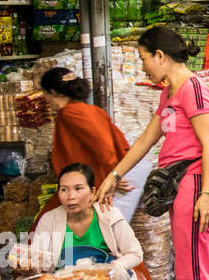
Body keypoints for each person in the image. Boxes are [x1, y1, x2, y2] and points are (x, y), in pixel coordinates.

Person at [97, 25, 209, 280]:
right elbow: (144, 141)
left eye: (143, 59)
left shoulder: (193, 91)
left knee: (191, 269)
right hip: (185, 185)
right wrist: (114, 175)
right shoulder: (170, 93)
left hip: (195, 182)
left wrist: (207, 194)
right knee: (199, 266)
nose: (143, 67)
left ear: (160, 56)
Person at [15, 163, 144, 280]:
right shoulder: (49, 220)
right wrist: (28, 267)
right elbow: (38, 264)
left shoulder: (109, 215)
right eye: (64, 190)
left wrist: (110, 269)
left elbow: (135, 254)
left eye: (78, 188)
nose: (70, 196)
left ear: (93, 192)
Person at [40, 67, 137, 220]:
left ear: (53, 92)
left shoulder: (69, 114)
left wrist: (113, 176)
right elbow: (121, 143)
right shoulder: (94, 110)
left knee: (47, 228)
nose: (45, 99)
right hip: (93, 184)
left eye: (45, 93)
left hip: (89, 186)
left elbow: (103, 146)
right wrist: (118, 173)